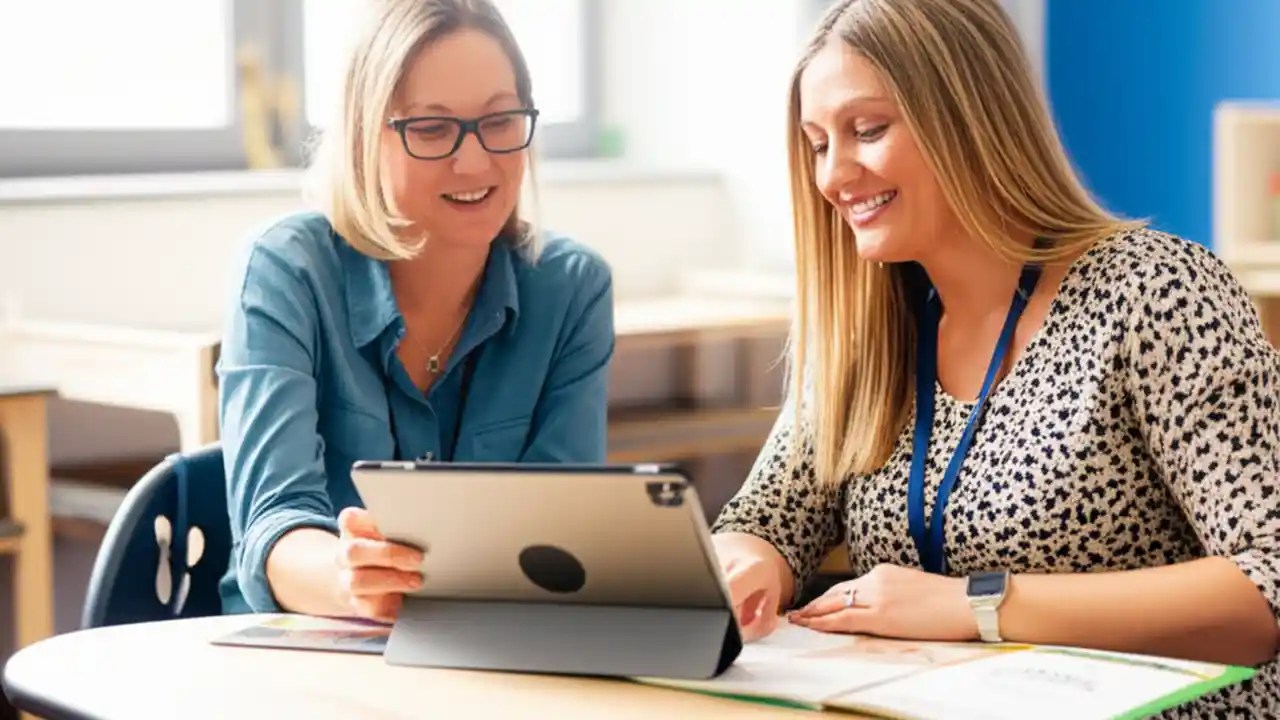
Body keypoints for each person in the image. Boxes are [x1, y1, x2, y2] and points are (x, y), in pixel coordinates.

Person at [710, 0, 1280, 716]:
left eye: (867, 130)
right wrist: (748, 564)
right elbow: (766, 520)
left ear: (971, 118)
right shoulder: (869, 327)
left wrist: (976, 604)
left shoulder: (1156, 290)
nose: (832, 175)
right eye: (818, 142)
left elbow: (1269, 583)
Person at [216, 0, 614, 623]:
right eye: (431, 130)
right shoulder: (285, 271)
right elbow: (274, 523)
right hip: (312, 651)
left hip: (495, 652)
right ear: (362, 139)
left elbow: (560, 535)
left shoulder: (572, 288)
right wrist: (352, 583)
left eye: (501, 120)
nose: (475, 161)